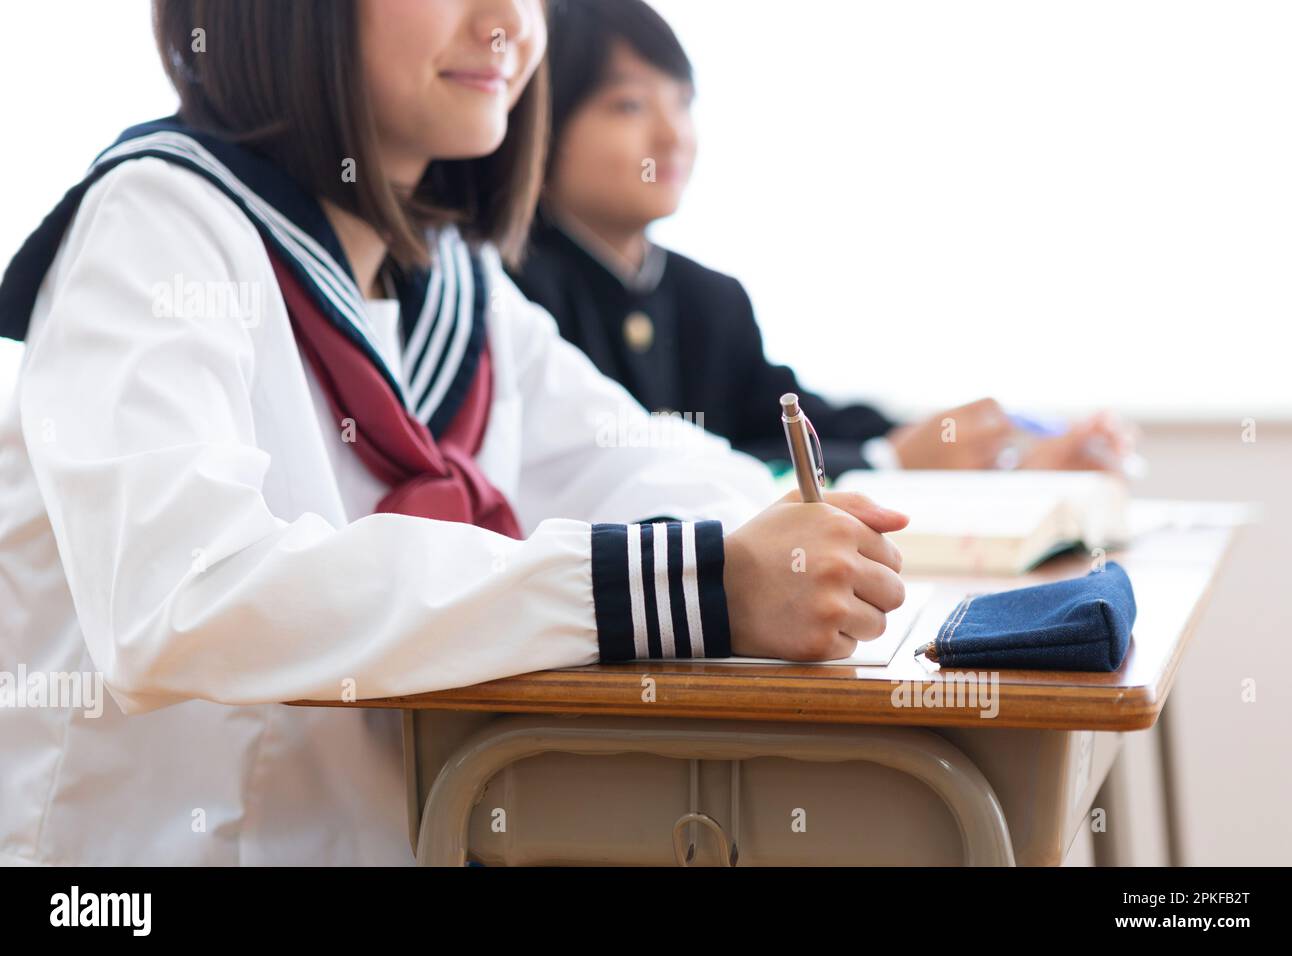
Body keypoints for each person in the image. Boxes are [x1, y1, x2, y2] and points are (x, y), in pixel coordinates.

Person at [0, 0, 908, 864]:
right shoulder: (158, 224)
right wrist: (699, 585)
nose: (509, 23)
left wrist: (810, 540)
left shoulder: (453, 279)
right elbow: (183, 601)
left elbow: (640, 464)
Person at [511, 0, 1133, 479]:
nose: (673, 135)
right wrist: (886, 461)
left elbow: (797, 419)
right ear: (540, 120)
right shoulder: (513, 291)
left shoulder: (709, 297)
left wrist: (1001, 449)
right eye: (629, 106)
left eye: (684, 101)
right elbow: (654, 474)